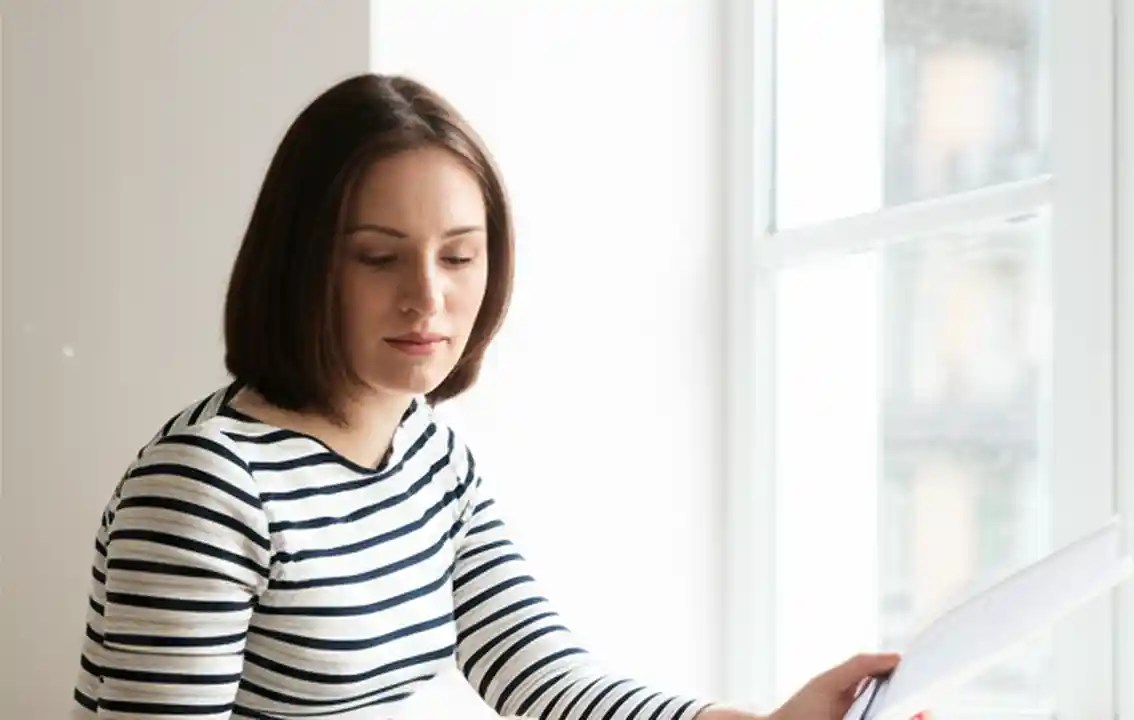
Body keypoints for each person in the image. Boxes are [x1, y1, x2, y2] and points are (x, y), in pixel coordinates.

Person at [72, 73, 915, 720]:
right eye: (378, 256)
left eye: (460, 255)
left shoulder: (428, 452)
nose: (427, 297)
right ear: (300, 262)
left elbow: (537, 669)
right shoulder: (206, 488)